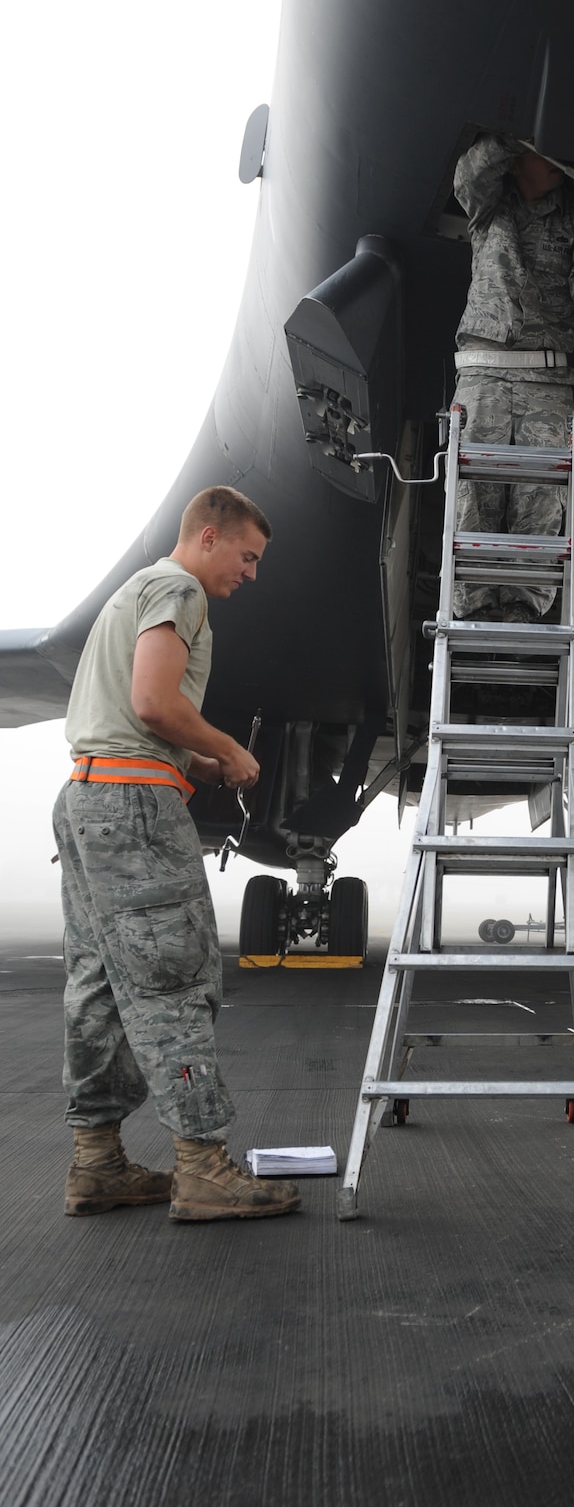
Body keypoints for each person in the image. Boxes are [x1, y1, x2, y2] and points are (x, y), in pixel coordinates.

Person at [55, 486, 299, 1223]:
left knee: (97, 988)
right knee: (173, 984)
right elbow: (157, 701)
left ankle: (96, 1164)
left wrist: (194, 765)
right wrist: (228, 748)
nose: (250, 573)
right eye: (247, 556)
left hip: (87, 797)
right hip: (133, 809)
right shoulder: (178, 587)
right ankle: (203, 1168)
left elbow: (131, 715)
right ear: (206, 536)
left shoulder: (132, 592)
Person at [451, 134, 574, 622]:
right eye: (546, 155)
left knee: (540, 501)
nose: (559, 165)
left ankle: (524, 605)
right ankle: (477, 606)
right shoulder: (490, 205)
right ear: (519, 159)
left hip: (545, 378)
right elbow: (467, 175)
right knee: (474, 497)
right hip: (484, 371)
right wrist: (519, 134)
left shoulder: (571, 215)